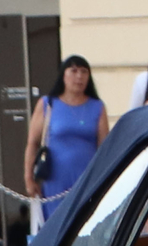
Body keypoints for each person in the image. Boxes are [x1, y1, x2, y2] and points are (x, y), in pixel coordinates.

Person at [25, 56, 107, 222]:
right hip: (55, 181)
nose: (79, 76)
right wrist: (28, 178)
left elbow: (104, 147)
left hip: (87, 179)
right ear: (63, 75)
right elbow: (32, 143)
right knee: (57, 225)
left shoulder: (97, 106)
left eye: (84, 72)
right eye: (74, 71)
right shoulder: (48, 104)